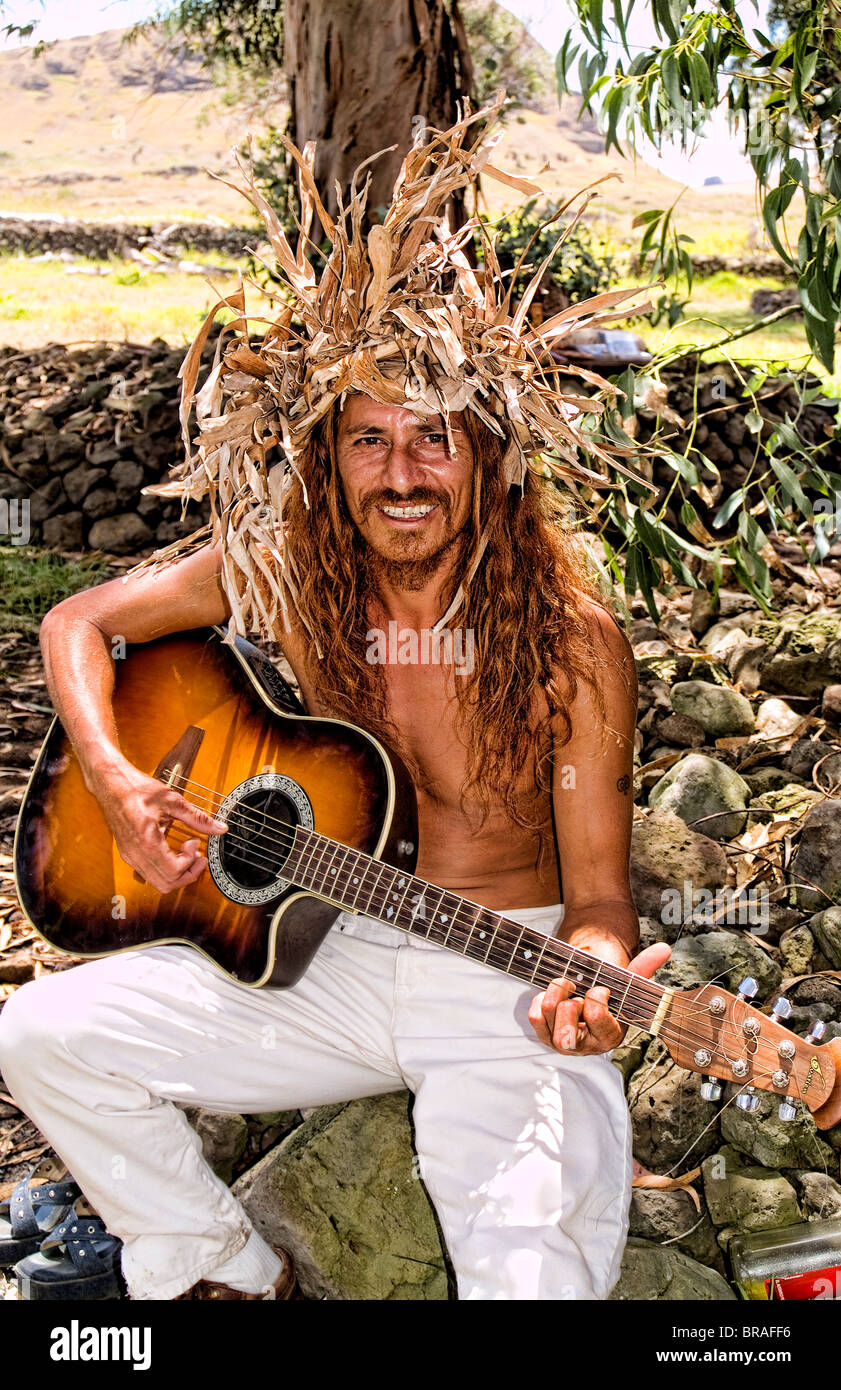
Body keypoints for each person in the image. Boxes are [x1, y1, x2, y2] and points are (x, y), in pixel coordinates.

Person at [0, 97, 668, 1301]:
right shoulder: (284, 569)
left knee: (532, 1283)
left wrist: (595, 979)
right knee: (42, 1035)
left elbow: (602, 892)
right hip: (320, 955)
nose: (400, 474)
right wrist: (117, 777)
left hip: (500, 976)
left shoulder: (573, 639)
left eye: (434, 440)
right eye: (368, 440)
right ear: (329, 457)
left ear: (491, 458)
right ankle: (221, 1270)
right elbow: (76, 623)